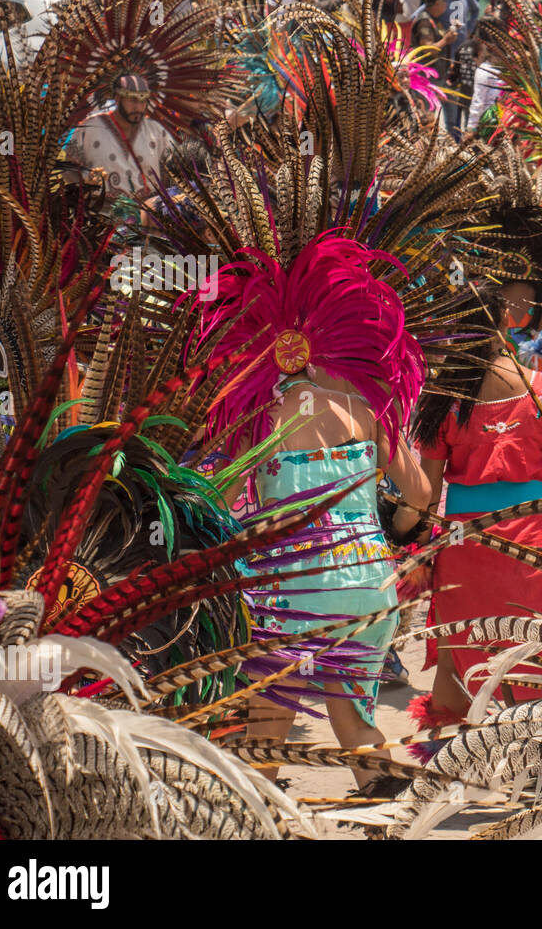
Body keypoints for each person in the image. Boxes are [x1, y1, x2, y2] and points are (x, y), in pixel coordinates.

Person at [194, 232, 431, 791]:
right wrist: (394, 529)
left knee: (270, 715)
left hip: (293, 584)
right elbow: (418, 493)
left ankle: (256, 820)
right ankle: (387, 807)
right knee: (351, 714)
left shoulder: (258, 424)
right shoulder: (364, 410)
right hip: (368, 579)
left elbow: (220, 511)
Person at [411, 211, 542, 723]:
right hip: (535, 540)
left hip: (464, 542)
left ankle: (450, 769)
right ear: (502, 324)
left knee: (459, 652)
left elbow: (424, 497)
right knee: (536, 648)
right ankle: (533, 763)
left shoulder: (443, 402)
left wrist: (414, 547)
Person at [64, 73, 174, 223]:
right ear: (117, 98)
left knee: (139, 248)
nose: (138, 107)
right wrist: (85, 182)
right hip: (100, 218)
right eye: (132, 100)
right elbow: (68, 169)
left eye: (143, 101)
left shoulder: (157, 131)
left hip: (146, 221)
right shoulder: (89, 129)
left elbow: (173, 171)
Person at [412, 0, 459, 118]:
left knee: (450, 110)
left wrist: (449, 35)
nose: (446, 5)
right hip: (427, 77)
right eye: (444, 2)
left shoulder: (433, 19)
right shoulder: (424, 21)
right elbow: (427, 49)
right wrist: (445, 40)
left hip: (437, 75)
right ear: (437, 3)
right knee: (427, 114)